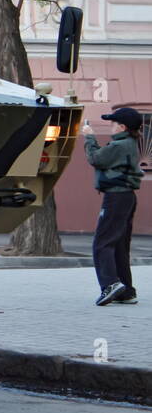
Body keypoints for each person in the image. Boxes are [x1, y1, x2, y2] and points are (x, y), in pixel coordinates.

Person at [82, 107, 144, 306]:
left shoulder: (121, 144)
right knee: (118, 245)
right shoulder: (129, 143)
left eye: (113, 123)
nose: (111, 126)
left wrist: (89, 138)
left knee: (102, 244)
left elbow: (96, 159)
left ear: (122, 127)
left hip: (116, 198)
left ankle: (110, 284)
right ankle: (126, 291)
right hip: (126, 197)